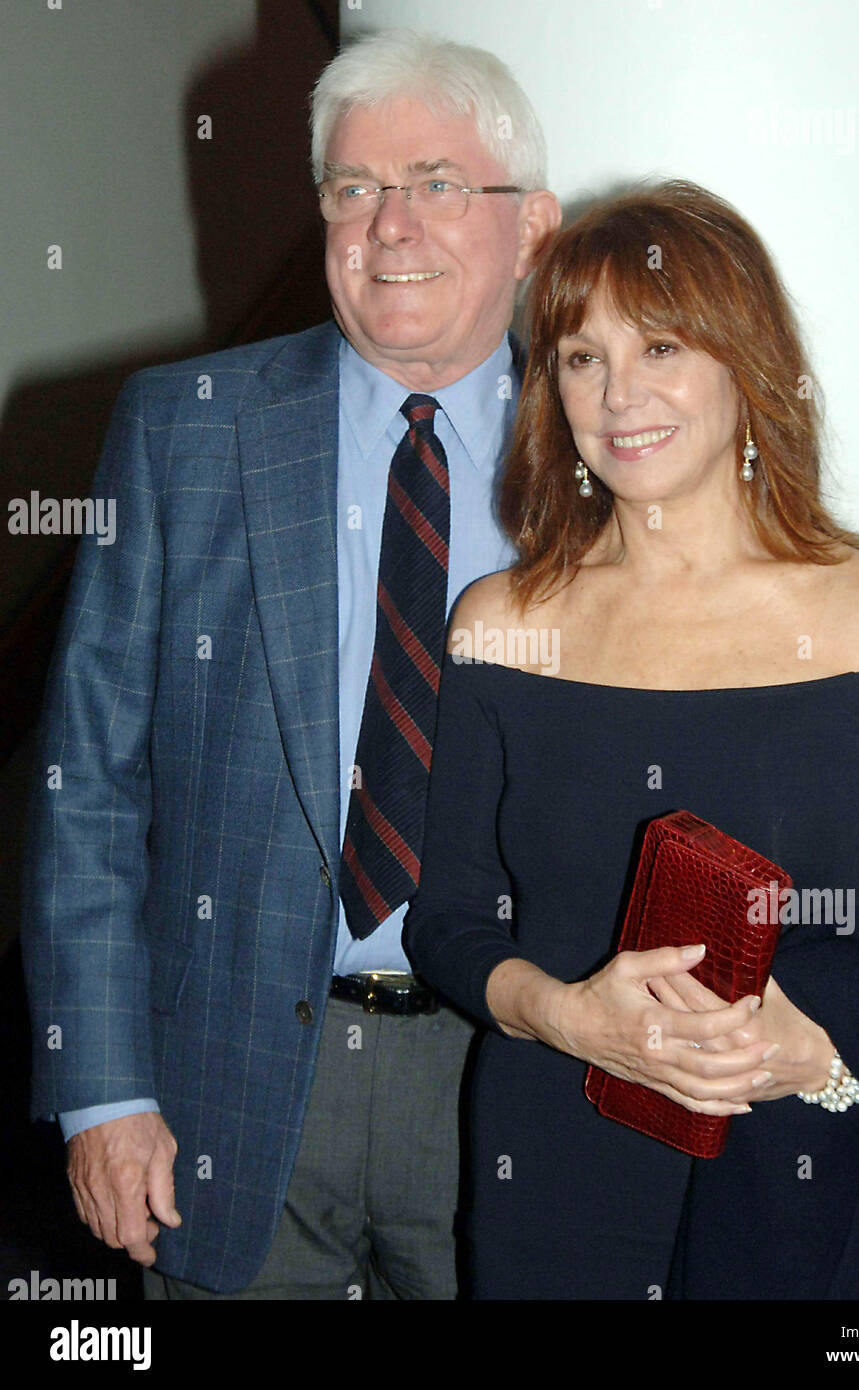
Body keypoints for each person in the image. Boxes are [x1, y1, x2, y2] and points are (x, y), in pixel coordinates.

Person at [20, 29, 560, 1299]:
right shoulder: (184, 430)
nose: (389, 226)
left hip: (519, 1074)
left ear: (531, 224)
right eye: (353, 189)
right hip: (235, 1081)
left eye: (436, 182)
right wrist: (102, 1089)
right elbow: (87, 786)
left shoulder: (604, 447)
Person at [403, 181, 859, 1299]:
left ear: (746, 364)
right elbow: (448, 921)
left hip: (801, 1158)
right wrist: (571, 1015)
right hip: (554, 1164)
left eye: (662, 346)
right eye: (581, 358)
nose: (619, 394)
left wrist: (821, 1050)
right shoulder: (503, 624)